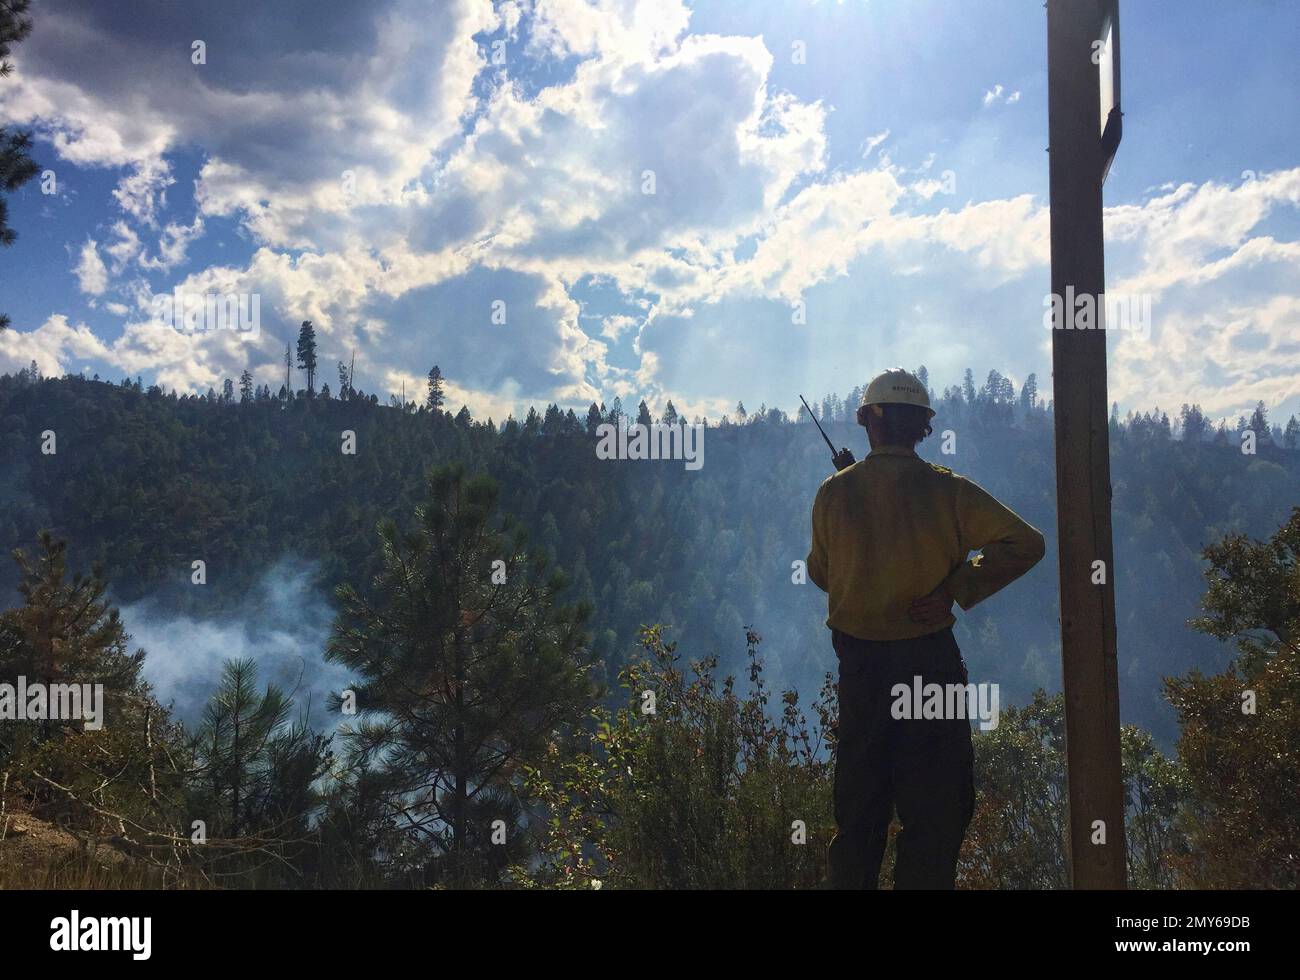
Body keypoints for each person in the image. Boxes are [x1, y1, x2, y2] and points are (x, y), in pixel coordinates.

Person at [806, 368, 1046, 889]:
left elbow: (821, 574)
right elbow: (1026, 543)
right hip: (928, 668)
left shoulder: (833, 495)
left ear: (867, 421)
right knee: (935, 813)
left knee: (859, 815)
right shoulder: (950, 491)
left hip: (862, 672)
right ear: (922, 428)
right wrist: (955, 590)